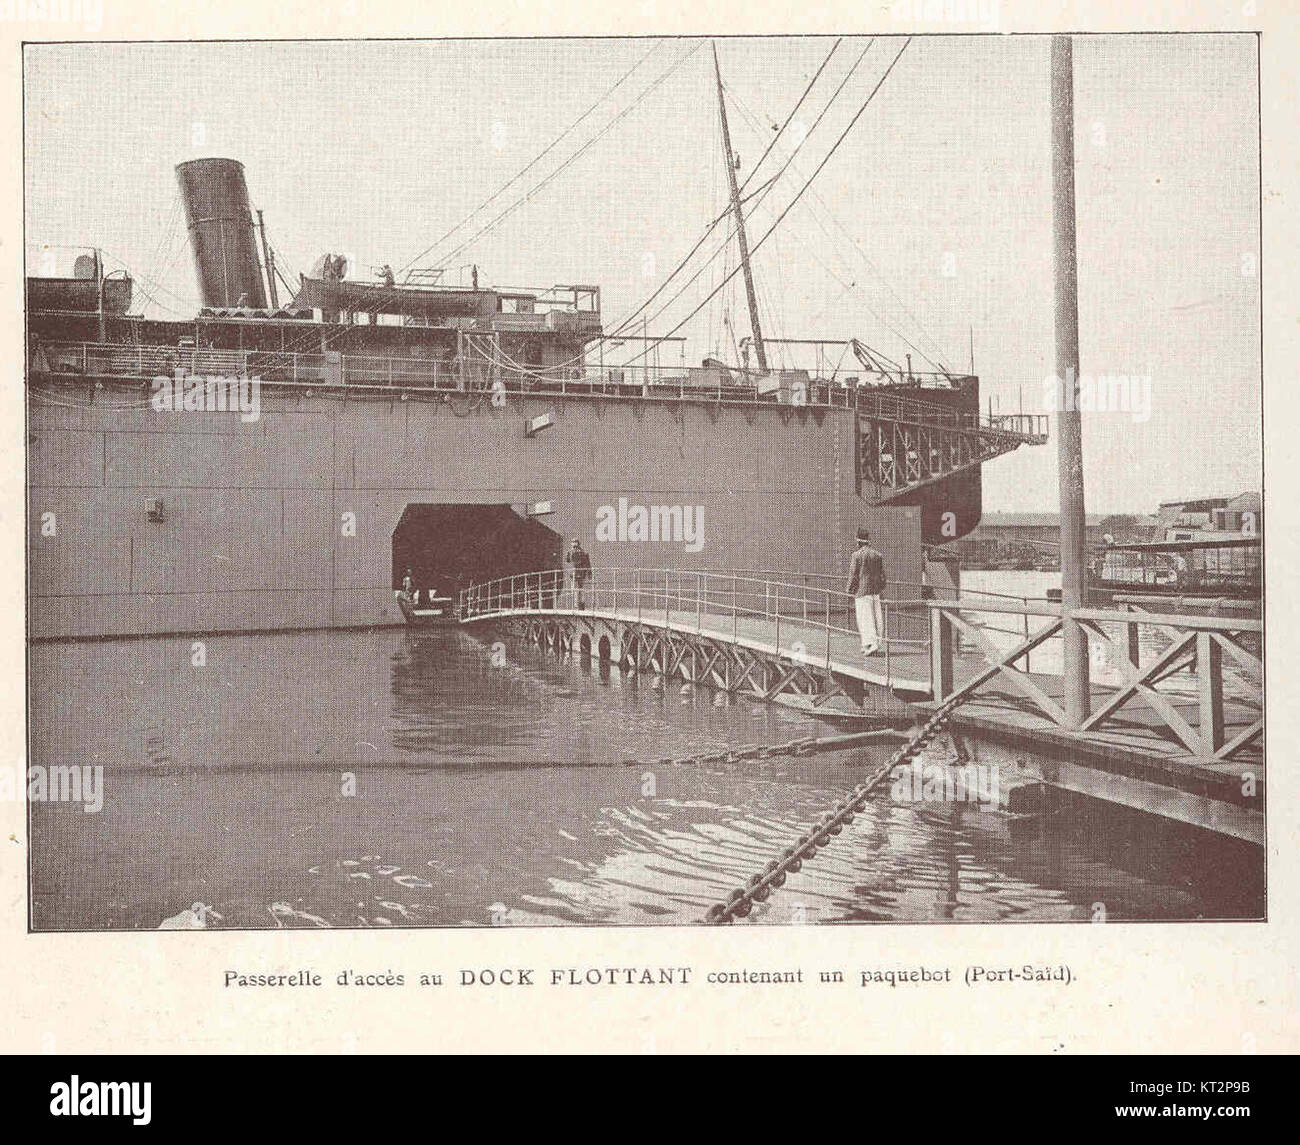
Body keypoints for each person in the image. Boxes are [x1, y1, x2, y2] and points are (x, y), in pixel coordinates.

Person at [846, 528, 886, 658]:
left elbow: (853, 575)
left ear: (858, 541)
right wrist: (880, 588)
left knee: (865, 619)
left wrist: (849, 589)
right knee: (876, 618)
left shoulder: (856, 555)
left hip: (862, 592)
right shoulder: (877, 555)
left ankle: (869, 644)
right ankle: (876, 643)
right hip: (875, 592)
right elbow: (882, 576)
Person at [566, 540, 592, 610]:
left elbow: (587, 563)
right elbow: (568, 560)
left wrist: (589, 573)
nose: (574, 547)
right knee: (578, 590)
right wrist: (589, 573)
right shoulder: (580, 552)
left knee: (578, 590)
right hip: (578, 573)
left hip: (578, 573)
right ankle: (579, 605)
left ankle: (578, 605)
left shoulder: (581, 553)